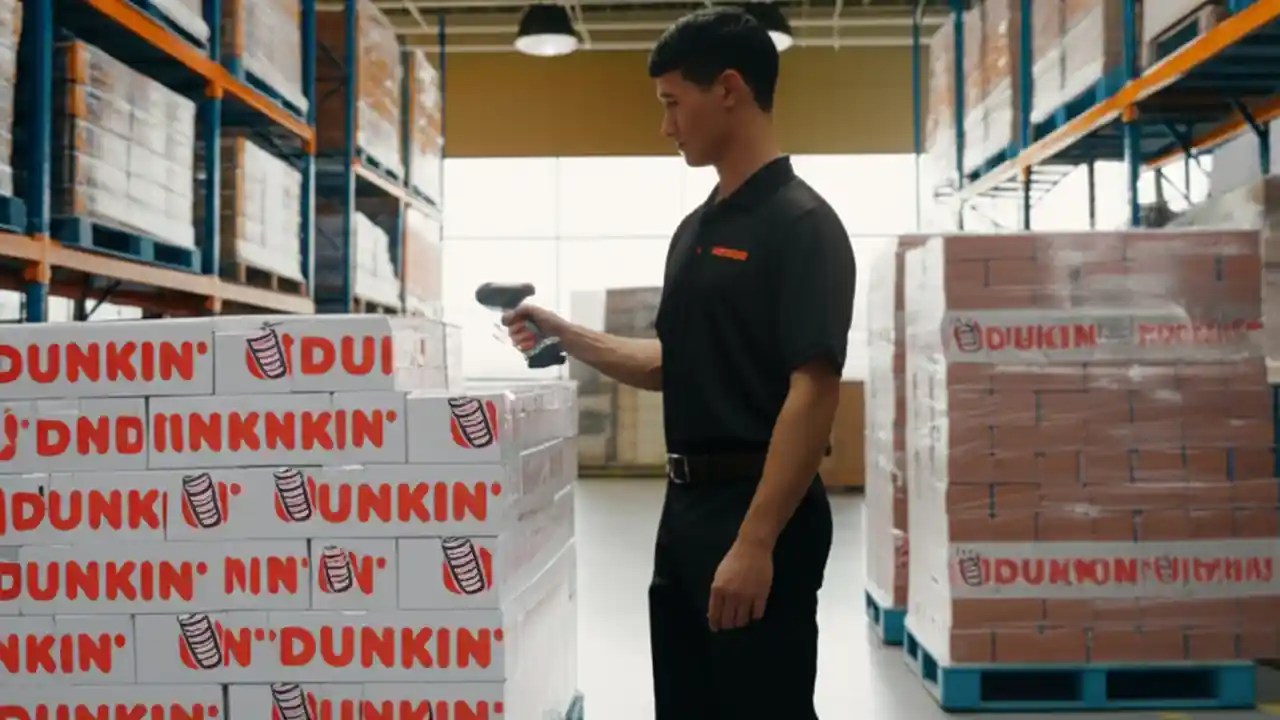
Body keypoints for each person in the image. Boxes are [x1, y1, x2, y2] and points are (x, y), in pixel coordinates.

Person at [503, 6, 856, 718]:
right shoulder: (696, 230)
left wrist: (756, 543)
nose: (666, 126)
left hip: (762, 512)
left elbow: (813, 390)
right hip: (686, 512)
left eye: (673, 103)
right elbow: (675, 362)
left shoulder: (802, 226)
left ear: (728, 88)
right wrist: (566, 334)